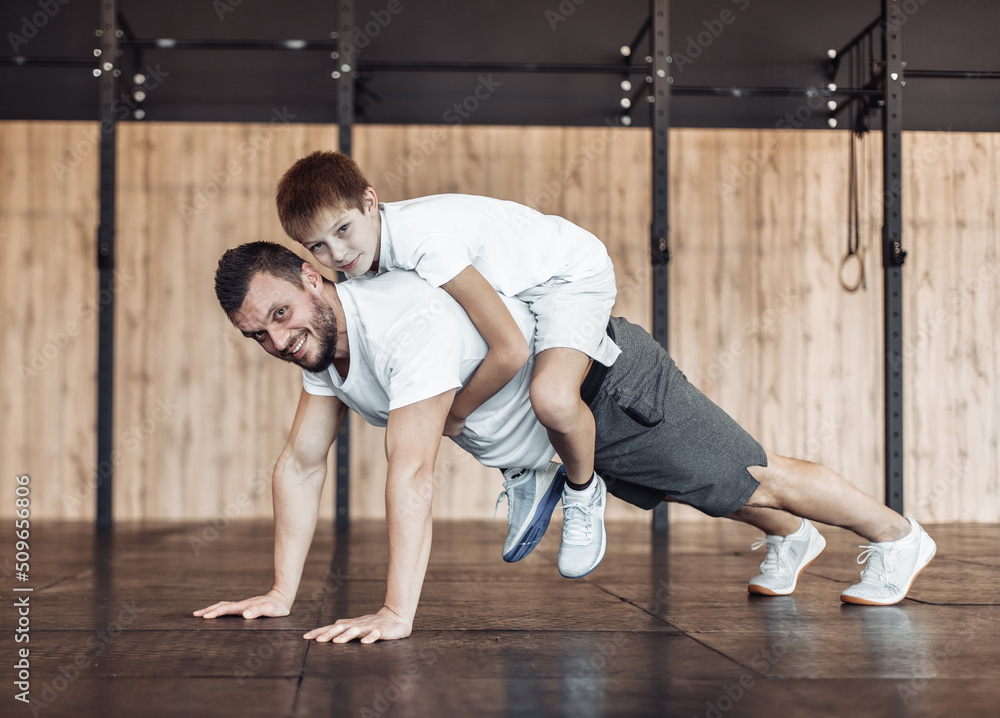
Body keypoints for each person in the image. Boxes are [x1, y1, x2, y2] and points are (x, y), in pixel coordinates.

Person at [194, 242, 936, 645]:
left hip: (604, 387)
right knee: (710, 490)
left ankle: (898, 536)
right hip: (563, 432)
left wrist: (397, 613)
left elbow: (412, 471)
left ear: (312, 276)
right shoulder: (325, 351)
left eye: (284, 315)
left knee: (755, 476)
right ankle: (796, 540)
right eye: (259, 335)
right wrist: (280, 593)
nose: (280, 340)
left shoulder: (397, 327)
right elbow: (299, 463)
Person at [273, 150, 620, 578]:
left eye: (343, 229)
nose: (339, 254)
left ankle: (583, 490)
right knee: (429, 370)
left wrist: (454, 415)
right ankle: (526, 472)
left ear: (369, 201)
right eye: (318, 247)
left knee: (551, 397)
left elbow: (509, 349)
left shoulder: (425, 241)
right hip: (517, 288)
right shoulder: (365, 263)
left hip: (568, 277)